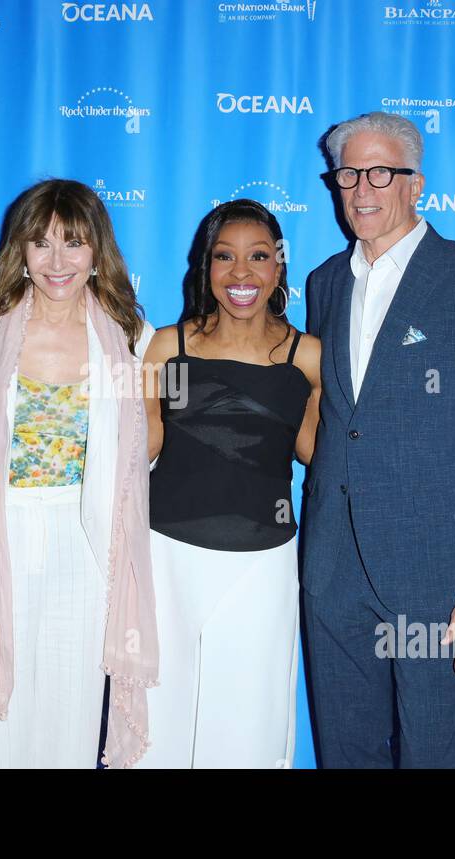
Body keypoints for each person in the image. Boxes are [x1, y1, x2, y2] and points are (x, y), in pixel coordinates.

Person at [302, 111, 455, 768]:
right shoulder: (325, 282)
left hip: (437, 578)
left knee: (435, 754)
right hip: (333, 570)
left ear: (416, 184)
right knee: (345, 754)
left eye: (380, 173)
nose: (361, 189)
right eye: (348, 174)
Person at [0, 178, 157, 769]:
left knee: (65, 713)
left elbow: (145, 452)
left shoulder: (132, 338)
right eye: (42, 243)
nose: (57, 261)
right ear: (21, 250)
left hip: (84, 547)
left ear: (97, 251)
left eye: (74, 243)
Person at [137, 200, 320, 768]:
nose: (241, 273)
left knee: (247, 721)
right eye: (225, 257)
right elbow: (140, 449)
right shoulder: (167, 347)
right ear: (206, 266)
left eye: (258, 257)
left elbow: (317, 453)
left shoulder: (308, 357)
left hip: (262, 564)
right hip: (166, 557)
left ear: (279, 266)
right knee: (159, 717)